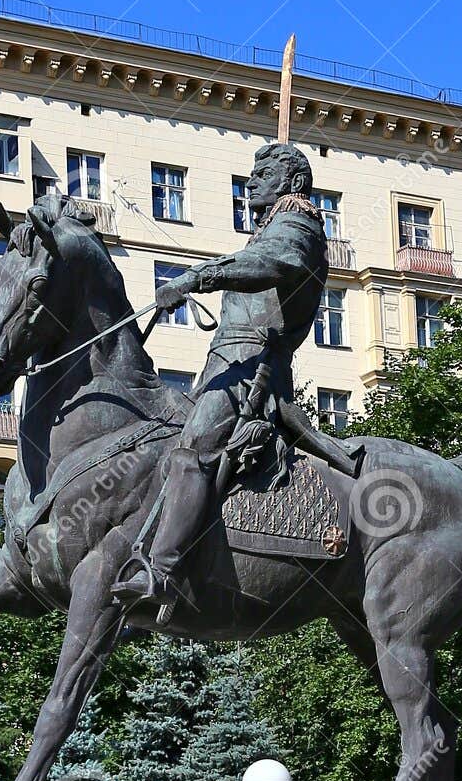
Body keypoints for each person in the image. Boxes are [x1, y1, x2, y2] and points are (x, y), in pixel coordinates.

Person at [113, 140, 360, 622]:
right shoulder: (272, 229)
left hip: (254, 372)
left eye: (263, 174)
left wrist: (194, 279)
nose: (251, 182)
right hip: (227, 366)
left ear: (292, 184)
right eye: (252, 174)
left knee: (194, 451)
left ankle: (161, 574)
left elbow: (269, 266)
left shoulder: (299, 227)